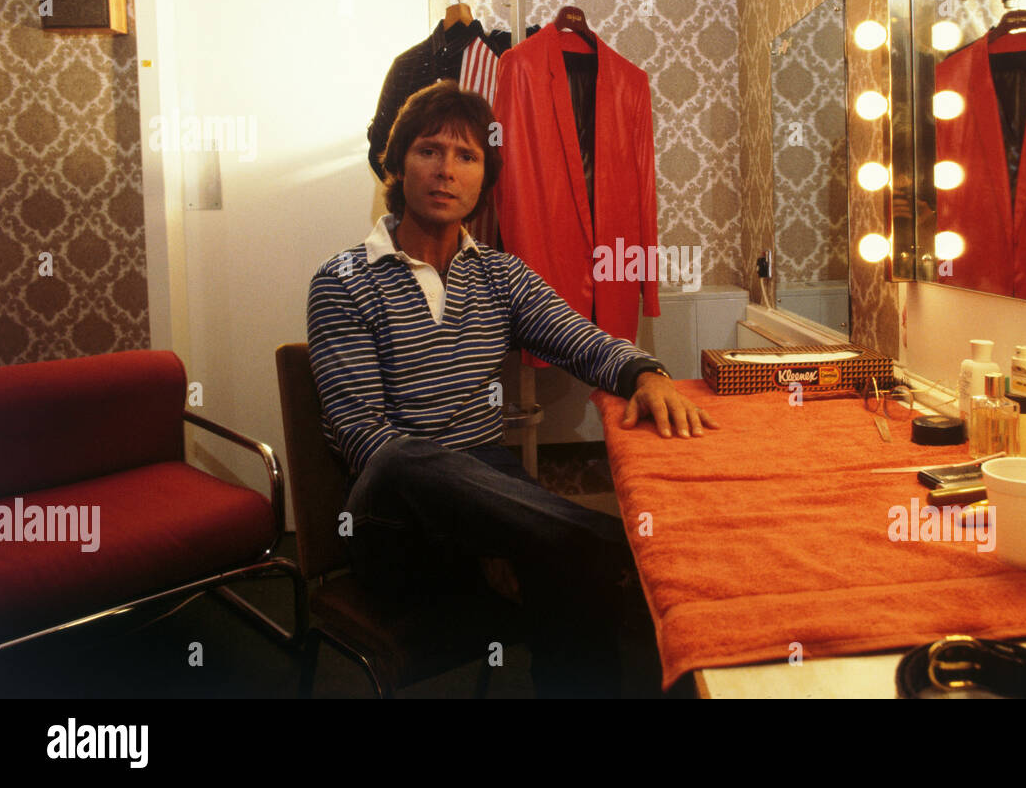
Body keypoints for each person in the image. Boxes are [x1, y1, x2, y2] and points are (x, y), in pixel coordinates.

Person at [306, 80, 717, 697]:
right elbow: (359, 434)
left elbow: (581, 339)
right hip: (394, 515)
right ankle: (611, 546)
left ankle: (581, 552)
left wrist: (644, 372)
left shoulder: (499, 274)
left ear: (484, 178)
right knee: (403, 454)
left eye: (466, 156)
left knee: (566, 568)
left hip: (493, 493)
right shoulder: (343, 281)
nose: (446, 171)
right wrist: (485, 530)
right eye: (429, 150)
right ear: (396, 164)